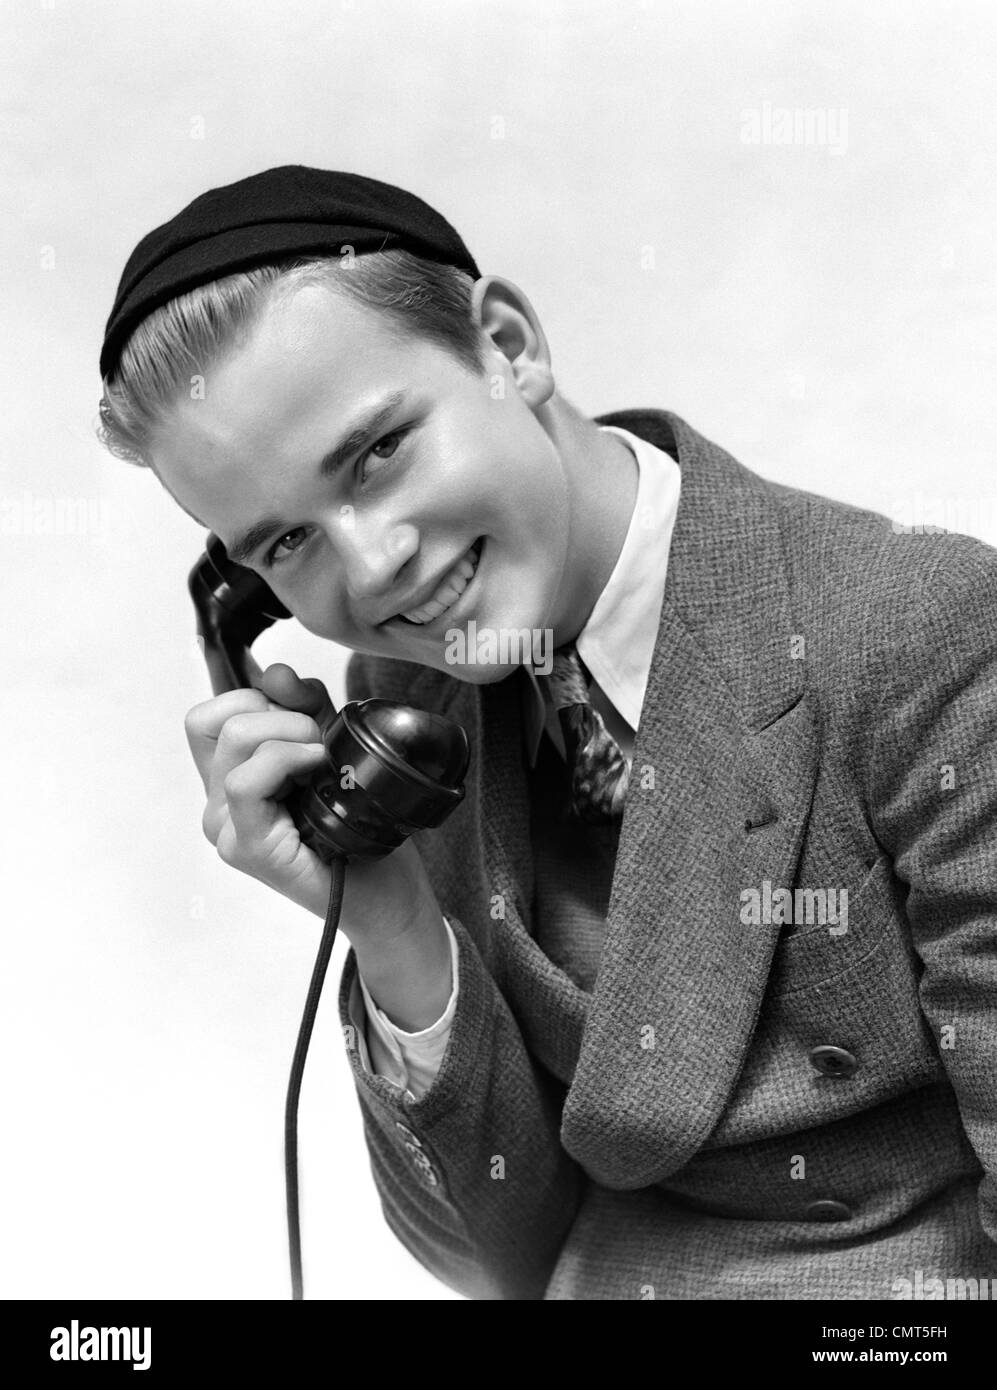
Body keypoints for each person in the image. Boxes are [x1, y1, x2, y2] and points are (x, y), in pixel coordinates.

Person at [97, 165, 997, 1301]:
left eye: (377, 453)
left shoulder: (920, 631)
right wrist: (386, 915)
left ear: (507, 346)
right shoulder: (405, 718)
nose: (373, 567)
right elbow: (489, 1255)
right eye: (286, 546)